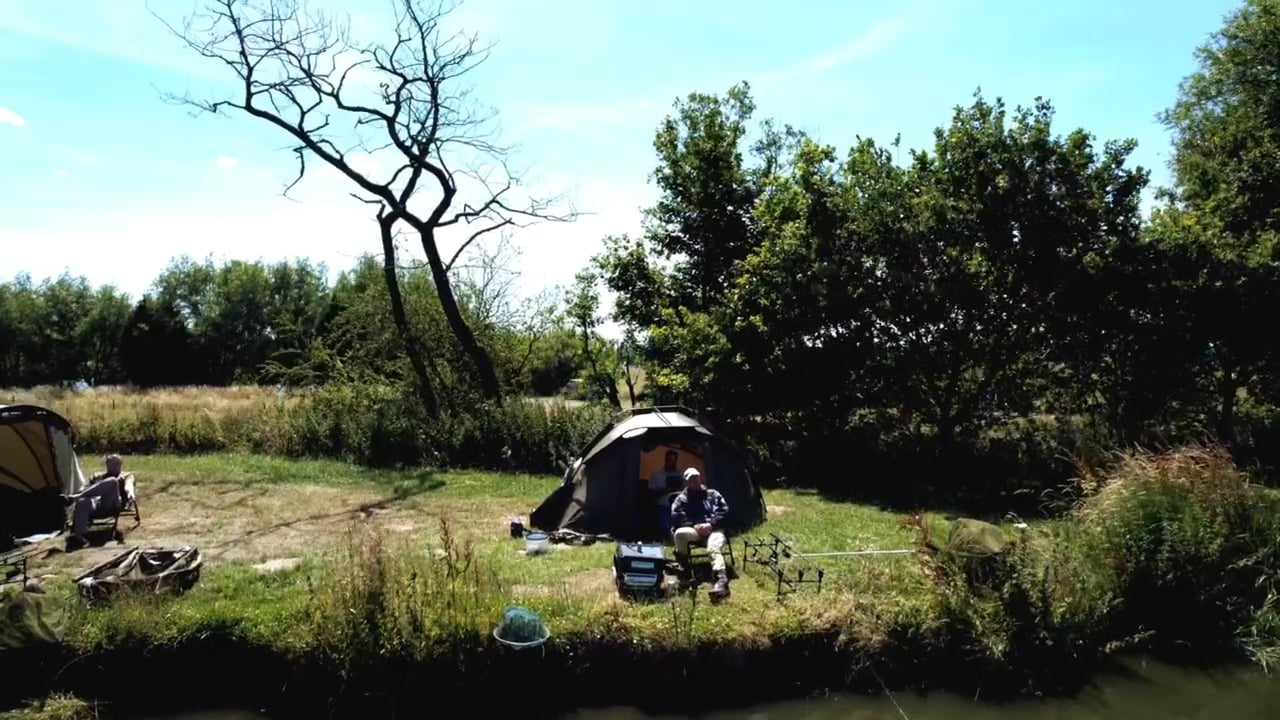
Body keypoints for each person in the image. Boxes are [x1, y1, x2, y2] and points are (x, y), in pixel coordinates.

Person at [670, 467, 731, 600]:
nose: (695, 481)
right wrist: (694, 525)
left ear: (700, 478)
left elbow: (724, 511)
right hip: (695, 530)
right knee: (680, 534)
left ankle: (721, 581)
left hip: (714, 529)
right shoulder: (681, 499)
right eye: (691, 479)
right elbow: (677, 516)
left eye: (696, 478)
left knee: (713, 548)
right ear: (686, 482)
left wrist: (711, 524)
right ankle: (683, 565)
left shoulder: (713, 494)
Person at [63, 453, 130, 549]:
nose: (115, 466)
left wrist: (130, 493)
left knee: (113, 481)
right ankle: (81, 537)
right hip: (94, 504)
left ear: (121, 465)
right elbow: (85, 487)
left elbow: (129, 486)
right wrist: (83, 493)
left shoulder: (126, 475)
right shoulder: (97, 476)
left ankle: (75, 498)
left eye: (118, 464)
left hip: (112, 503)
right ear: (107, 465)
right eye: (112, 464)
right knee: (83, 501)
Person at [647, 449, 684, 535]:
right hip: (662, 505)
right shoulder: (657, 475)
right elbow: (650, 493)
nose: (671, 462)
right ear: (665, 460)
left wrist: (680, 487)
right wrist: (664, 490)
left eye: (674, 460)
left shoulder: (681, 474)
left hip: (679, 505)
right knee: (665, 527)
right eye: (669, 460)